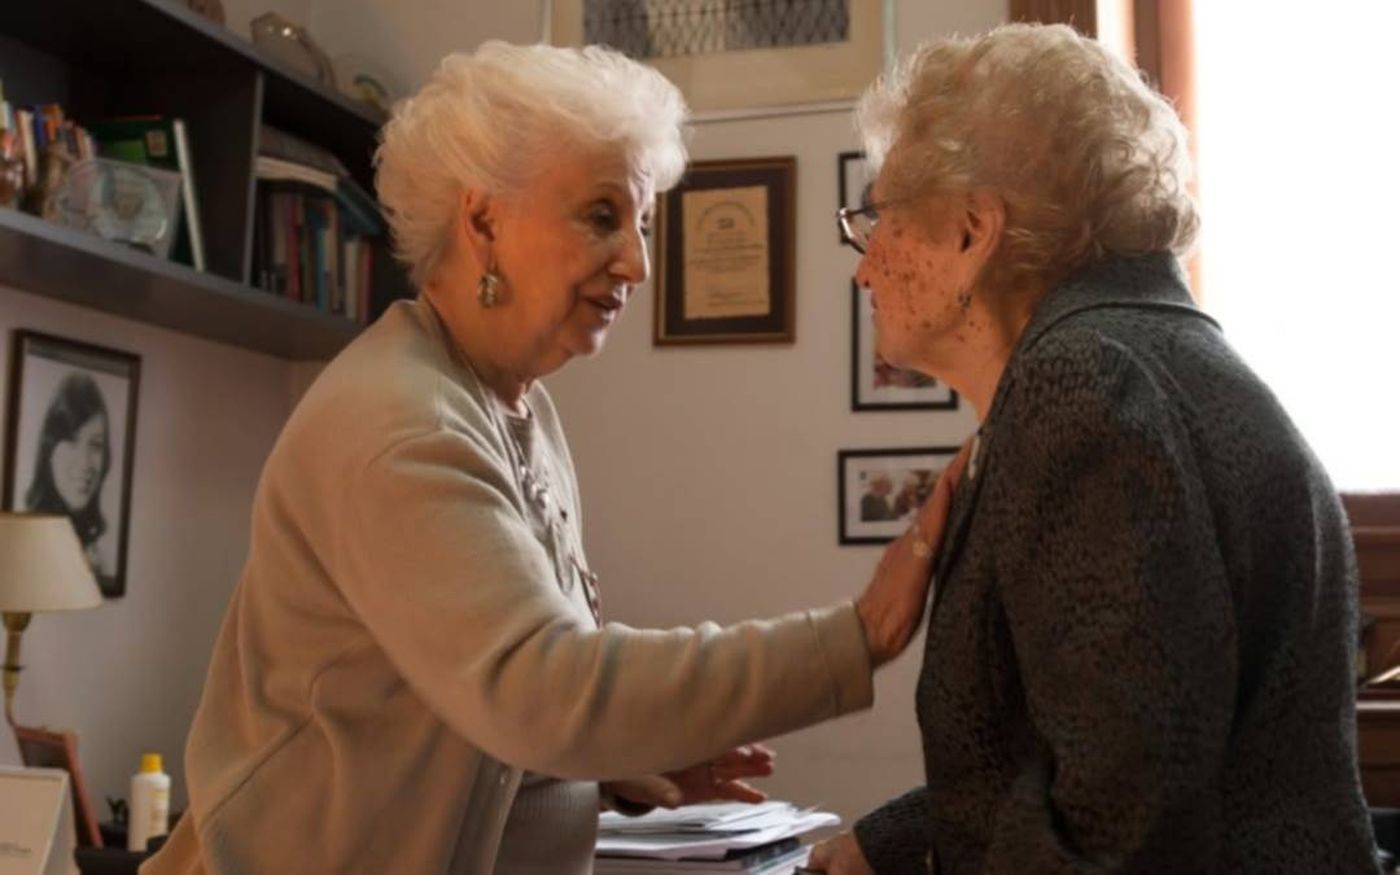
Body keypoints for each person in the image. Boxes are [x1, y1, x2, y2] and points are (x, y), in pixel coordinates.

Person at [142, 42, 964, 875]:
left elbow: (475, 704)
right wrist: (854, 638)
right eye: (602, 216)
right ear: (483, 220)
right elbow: (540, 686)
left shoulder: (513, 404)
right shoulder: (401, 423)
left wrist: (614, 766)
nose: (638, 262)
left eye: (642, 225)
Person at [810, 23, 1378, 875]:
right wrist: (885, 841)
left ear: (970, 231)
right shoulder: (1152, 354)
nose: (864, 265)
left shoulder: (1083, 384)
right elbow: (1108, 744)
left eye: (879, 219)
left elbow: (1120, 827)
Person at [25, 371, 111, 582]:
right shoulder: (29, 543)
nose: (85, 463)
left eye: (96, 445)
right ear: (49, 450)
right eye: (72, 440)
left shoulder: (95, 554)